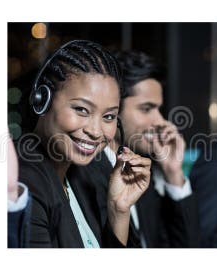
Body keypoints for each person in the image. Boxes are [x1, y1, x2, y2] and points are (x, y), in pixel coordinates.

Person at [16, 40, 151, 248]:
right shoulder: (23, 183)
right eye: (81, 110)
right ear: (42, 99)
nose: (96, 131)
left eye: (108, 116)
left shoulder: (82, 178)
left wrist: (118, 210)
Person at [83, 50, 200, 248]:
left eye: (159, 109)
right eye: (146, 109)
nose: (160, 120)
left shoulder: (143, 168)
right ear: (112, 108)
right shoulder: (84, 175)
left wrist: (173, 173)